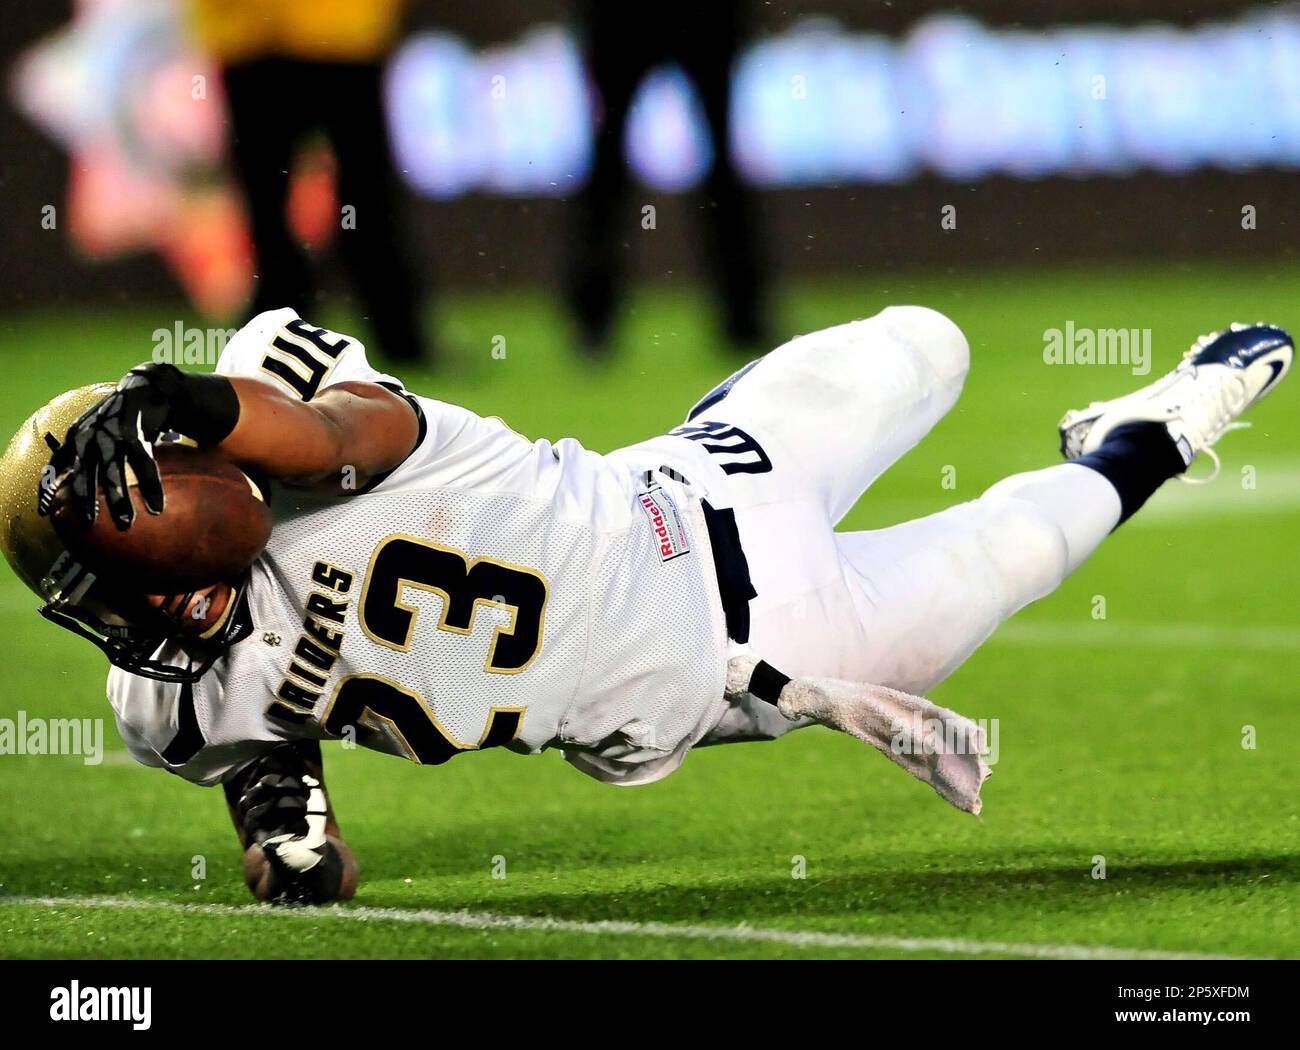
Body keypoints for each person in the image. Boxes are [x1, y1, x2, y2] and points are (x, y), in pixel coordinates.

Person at [0, 307, 1289, 903]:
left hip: (696, 481)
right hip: (764, 656)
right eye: (115, 595)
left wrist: (193, 401)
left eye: (142, 570)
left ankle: (720, 396)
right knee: (1030, 540)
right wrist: (284, 830)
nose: (144, 619)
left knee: (930, 343)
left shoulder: (324, 424)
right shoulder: (170, 703)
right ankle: (1146, 429)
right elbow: (255, 740)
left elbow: (340, 424)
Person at [191, 0, 429, 361]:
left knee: (354, 195)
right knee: (283, 201)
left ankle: (279, 335)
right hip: (284, 32)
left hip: (316, 31)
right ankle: (389, 332)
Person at [567, 0, 769, 354]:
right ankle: (743, 318)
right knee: (613, 167)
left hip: (641, 15)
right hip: (678, 14)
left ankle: (592, 322)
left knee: (609, 167)